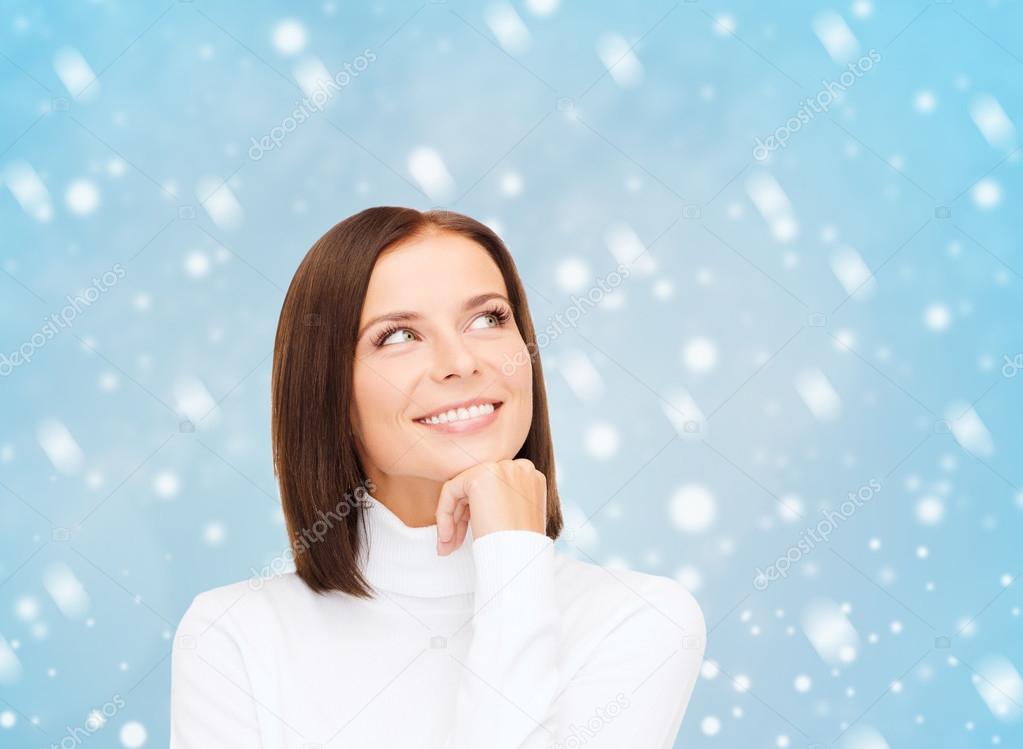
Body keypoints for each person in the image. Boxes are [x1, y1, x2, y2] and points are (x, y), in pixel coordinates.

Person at [170, 206, 706, 748]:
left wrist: (513, 559)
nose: (461, 361)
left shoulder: (641, 620)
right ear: (328, 388)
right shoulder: (232, 637)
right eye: (399, 335)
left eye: (488, 319)